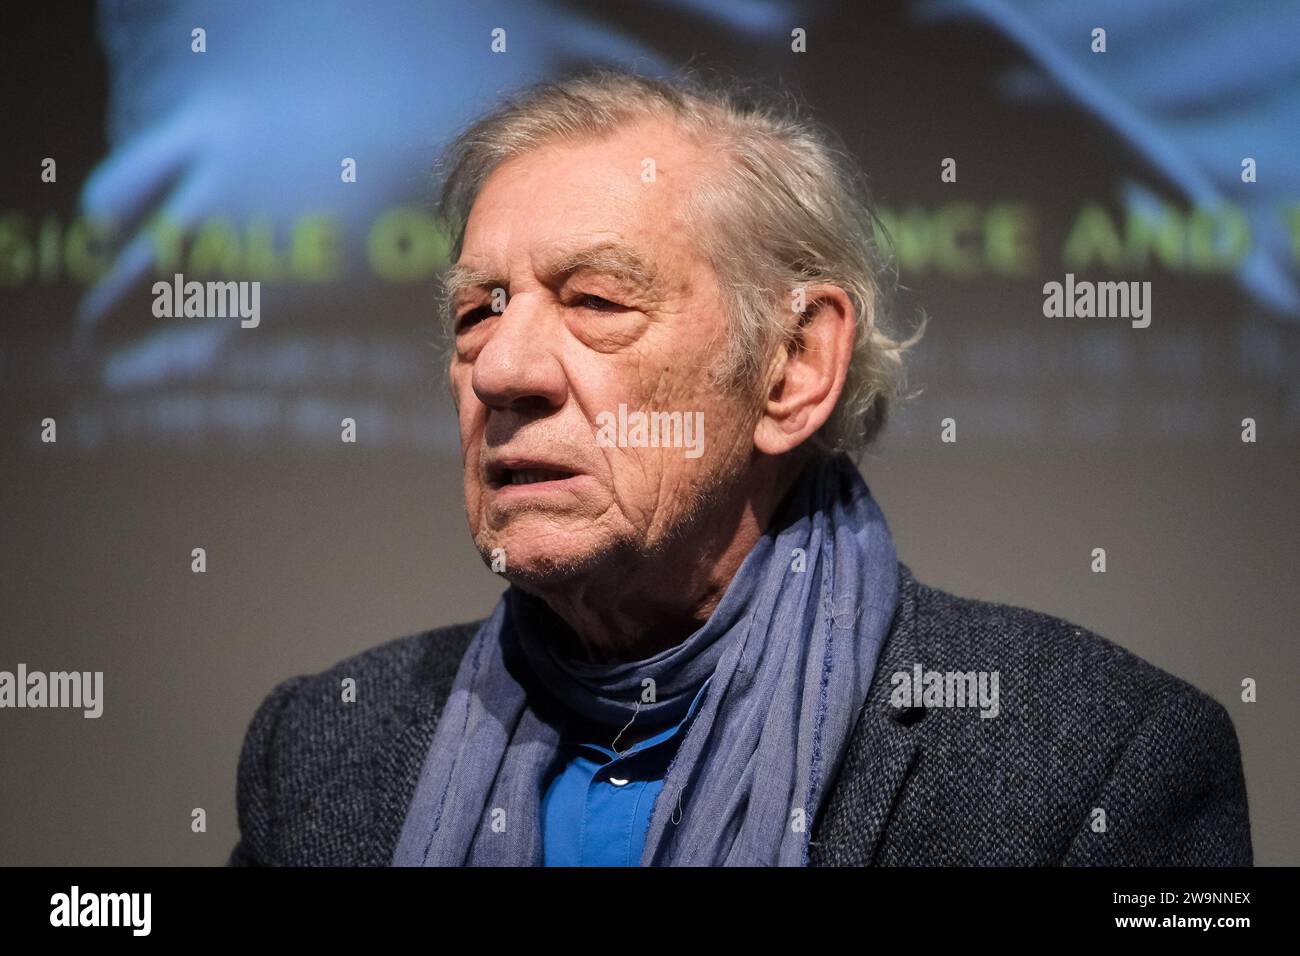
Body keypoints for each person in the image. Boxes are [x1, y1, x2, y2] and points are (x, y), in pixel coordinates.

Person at [229, 69, 1251, 867]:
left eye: (594, 301)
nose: (501, 367)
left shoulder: (1090, 756)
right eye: (475, 312)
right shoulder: (324, 745)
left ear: (793, 368)